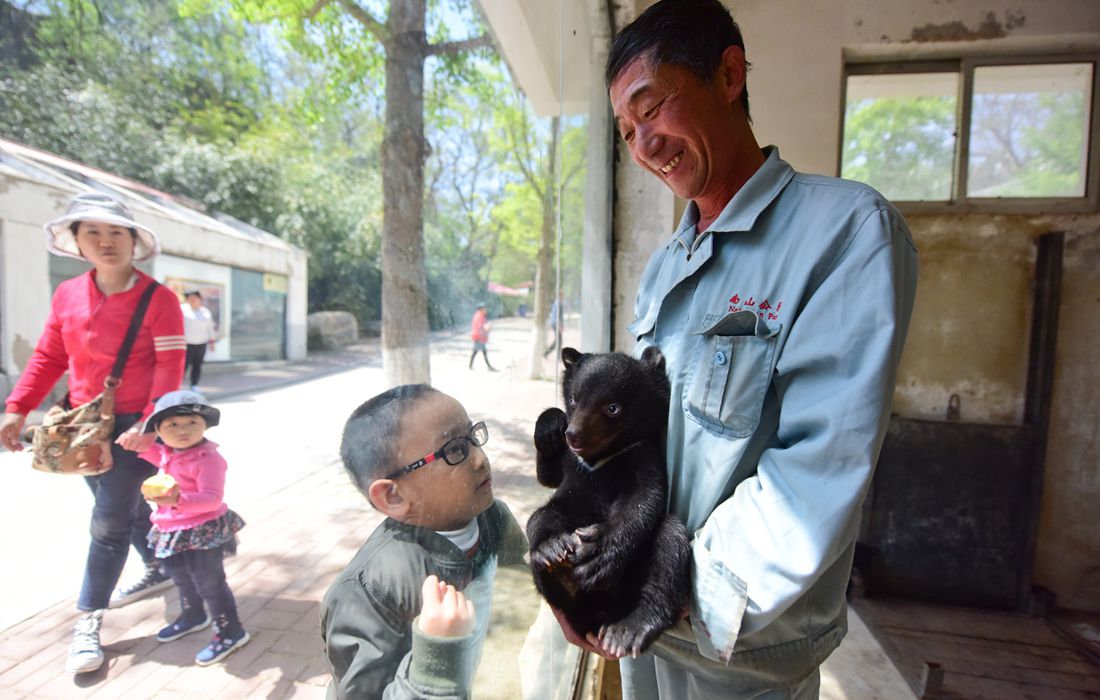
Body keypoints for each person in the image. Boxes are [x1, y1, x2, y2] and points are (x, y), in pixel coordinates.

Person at [551, 1, 918, 697]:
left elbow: (818, 466)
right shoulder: (666, 265)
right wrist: (589, 566)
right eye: (626, 131)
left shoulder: (844, 232)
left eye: (651, 109)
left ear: (727, 75)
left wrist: (666, 586)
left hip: (737, 641)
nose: (643, 145)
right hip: (643, 624)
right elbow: (642, 443)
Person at [0, 191, 186, 674]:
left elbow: (170, 366)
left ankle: (88, 620)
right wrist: (17, 408)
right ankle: (161, 567)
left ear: (133, 241)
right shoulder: (67, 294)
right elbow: (48, 356)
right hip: (81, 425)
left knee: (108, 522)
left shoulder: (160, 299)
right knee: (124, 507)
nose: (106, 242)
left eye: (116, 232)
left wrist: (151, 423)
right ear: (77, 242)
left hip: (134, 427)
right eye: (93, 233)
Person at [322, 385, 527, 699]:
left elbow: (519, 580)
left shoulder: (493, 517)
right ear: (393, 495)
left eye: (473, 437)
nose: (480, 459)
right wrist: (435, 657)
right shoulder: (367, 591)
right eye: (454, 450)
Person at [139, 389, 249, 665]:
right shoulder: (168, 453)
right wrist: (134, 441)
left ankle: (230, 631)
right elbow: (150, 451)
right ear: (158, 430)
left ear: (205, 425)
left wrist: (177, 500)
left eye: (191, 422)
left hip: (203, 531)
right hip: (171, 531)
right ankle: (193, 615)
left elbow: (212, 499)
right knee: (180, 577)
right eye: (172, 424)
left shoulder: (208, 459)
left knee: (210, 583)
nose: (183, 430)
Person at [181, 290, 216, 391]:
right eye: (189, 298)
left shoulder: (205, 312)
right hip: (186, 344)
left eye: (194, 298)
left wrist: (212, 341)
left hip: (201, 343)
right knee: (183, 366)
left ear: (199, 299)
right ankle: (178, 385)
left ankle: (194, 385)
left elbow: (210, 328)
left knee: (197, 365)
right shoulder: (182, 310)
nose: (192, 300)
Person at [469, 302, 497, 371]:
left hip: (479, 338)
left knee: (476, 352)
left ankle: (470, 366)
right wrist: (487, 328)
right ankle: (489, 366)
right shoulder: (478, 317)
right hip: (478, 338)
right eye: (484, 309)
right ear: (481, 309)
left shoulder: (480, 316)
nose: (486, 310)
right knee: (482, 352)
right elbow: (480, 327)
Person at [543, 291, 565, 357]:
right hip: (556, 324)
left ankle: (547, 353)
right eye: (562, 295)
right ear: (560, 296)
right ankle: (549, 354)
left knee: (558, 341)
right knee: (558, 341)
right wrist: (559, 326)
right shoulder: (558, 304)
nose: (563, 297)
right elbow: (557, 316)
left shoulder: (557, 303)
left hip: (555, 323)